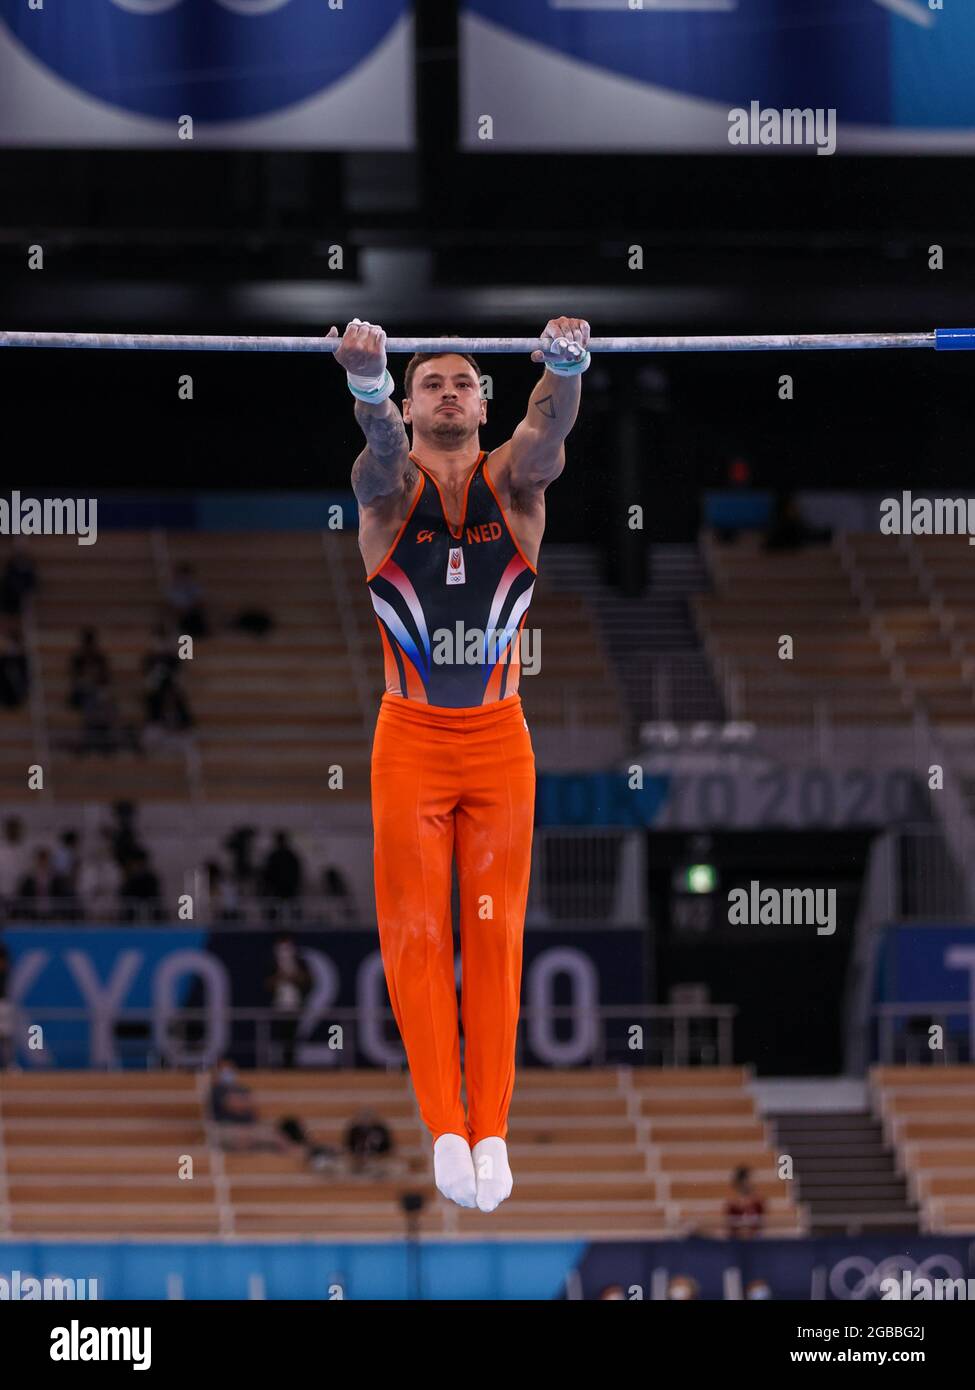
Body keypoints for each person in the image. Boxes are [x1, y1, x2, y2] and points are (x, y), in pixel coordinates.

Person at [330, 314, 588, 1212]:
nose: (447, 392)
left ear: (486, 402)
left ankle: (493, 1131)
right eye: (428, 383)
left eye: (462, 383)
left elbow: (549, 433)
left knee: (495, 936)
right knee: (415, 934)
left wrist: (567, 367)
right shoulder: (386, 492)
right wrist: (365, 388)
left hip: (498, 744)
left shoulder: (514, 484)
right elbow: (374, 457)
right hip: (409, 741)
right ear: (409, 404)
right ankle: (446, 1124)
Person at [263, 934, 311, 1067]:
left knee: (293, 1036)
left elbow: (307, 980)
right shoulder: (272, 963)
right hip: (278, 1005)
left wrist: (293, 976)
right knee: (280, 1036)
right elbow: (267, 984)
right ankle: (279, 1064)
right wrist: (280, 976)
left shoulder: (300, 961)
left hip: (295, 1005)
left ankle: (291, 1064)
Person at [259, 831, 303, 921]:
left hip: (284, 888)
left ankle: (293, 922)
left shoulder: (287, 855)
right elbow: (267, 872)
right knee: (277, 909)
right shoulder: (281, 855)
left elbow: (267, 873)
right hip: (281, 888)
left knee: (288, 909)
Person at [68, 628, 111, 710]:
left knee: (102, 695)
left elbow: (106, 677)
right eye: (87, 644)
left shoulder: (100, 658)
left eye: (90, 644)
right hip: (82, 690)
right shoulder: (78, 659)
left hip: (97, 690)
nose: (89, 647)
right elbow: (74, 677)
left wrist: (95, 678)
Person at [344, 1108, 394, 1176]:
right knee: (341, 1166)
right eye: (363, 1117)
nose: (366, 1120)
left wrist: (377, 1159)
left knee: (394, 1167)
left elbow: (389, 1150)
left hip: (378, 1162)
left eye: (369, 1117)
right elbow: (347, 1149)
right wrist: (357, 1159)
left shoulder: (381, 1130)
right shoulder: (353, 1131)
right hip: (357, 1162)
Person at [167, 563, 209, 638]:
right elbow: (172, 603)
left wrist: (190, 607)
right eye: (181, 575)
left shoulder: (194, 587)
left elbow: (200, 601)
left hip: (192, 614)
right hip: (180, 615)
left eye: (185, 575)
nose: (183, 578)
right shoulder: (173, 589)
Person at [725, 1166, 766, 1240]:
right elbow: (730, 1227)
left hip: (755, 1241)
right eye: (749, 1179)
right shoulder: (732, 1204)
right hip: (737, 1242)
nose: (752, 1182)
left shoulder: (758, 1203)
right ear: (742, 1181)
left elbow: (762, 1225)